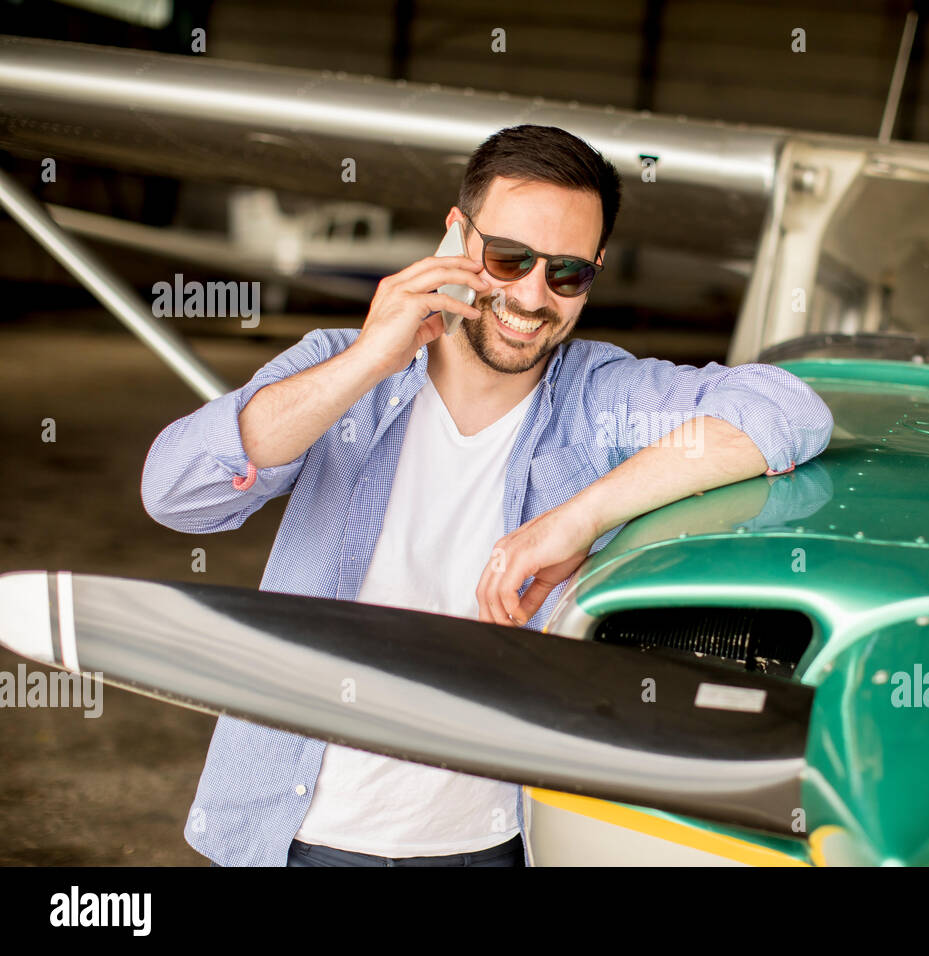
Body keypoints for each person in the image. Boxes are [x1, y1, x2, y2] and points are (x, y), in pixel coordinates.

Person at [142, 124, 834, 867]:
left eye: (568, 273)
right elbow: (177, 493)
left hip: (490, 843)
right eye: (509, 258)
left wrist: (578, 518)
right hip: (290, 833)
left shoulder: (602, 397)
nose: (533, 297)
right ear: (455, 237)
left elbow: (790, 412)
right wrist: (373, 357)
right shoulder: (338, 368)